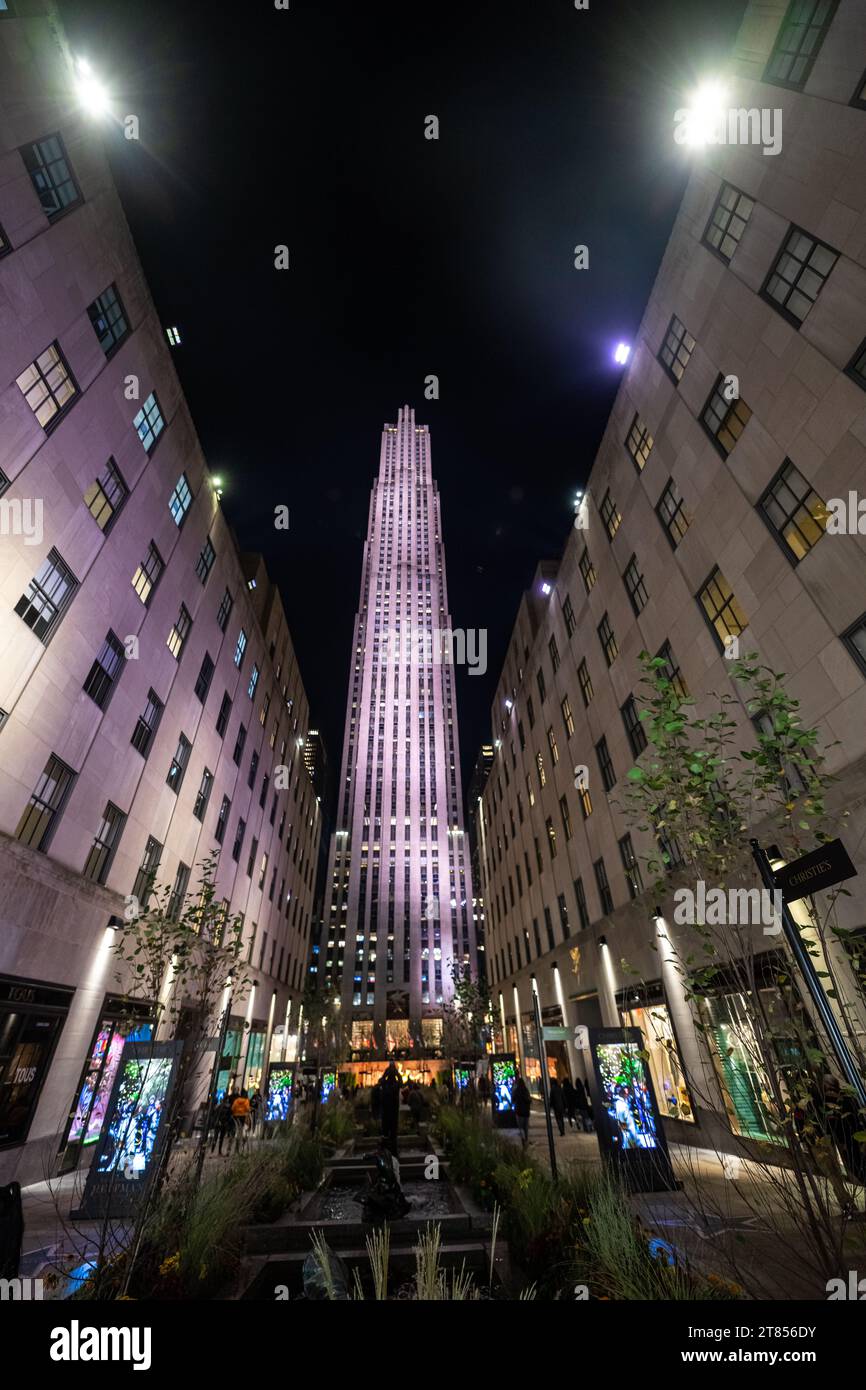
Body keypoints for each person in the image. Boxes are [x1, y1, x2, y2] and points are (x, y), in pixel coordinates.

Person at [378, 1062, 403, 1157]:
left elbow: (381, 1080)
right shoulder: (395, 1085)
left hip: (386, 1114)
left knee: (385, 1133)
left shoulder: (384, 1085)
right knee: (393, 1134)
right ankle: (394, 1152)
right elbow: (401, 1082)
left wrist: (386, 1073)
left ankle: (385, 1151)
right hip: (393, 1114)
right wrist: (396, 1072)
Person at [512, 1073, 531, 1145]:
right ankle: (526, 1138)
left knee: (520, 1126)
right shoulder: (526, 1090)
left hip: (519, 1111)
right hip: (526, 1112)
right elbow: (529, 1100)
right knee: (525, 1127)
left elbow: (513, 1099)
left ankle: (523, 1140)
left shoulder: (516, 1091)